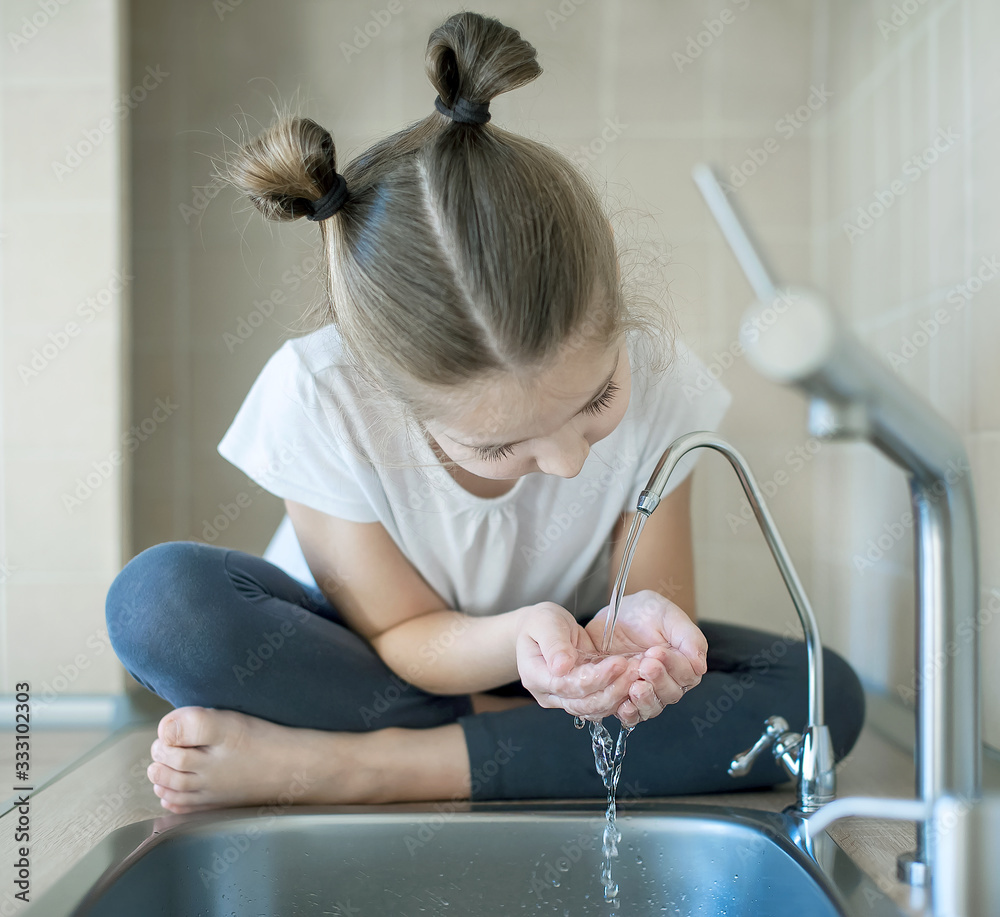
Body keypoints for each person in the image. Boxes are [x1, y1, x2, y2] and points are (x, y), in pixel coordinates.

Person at [105, 11, 864, 815]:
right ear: (382, 384)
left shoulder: (664, 378)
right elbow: (400, 636)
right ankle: (509, 749)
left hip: (557, 662)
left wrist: (637, 642)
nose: (569, 462)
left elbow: (647, 614)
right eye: (502, 445)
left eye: (597, 399)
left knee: (822, 696)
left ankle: (353, 765)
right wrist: (517, 641)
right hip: (366, 659)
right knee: (160, 605)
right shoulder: (321, 395)